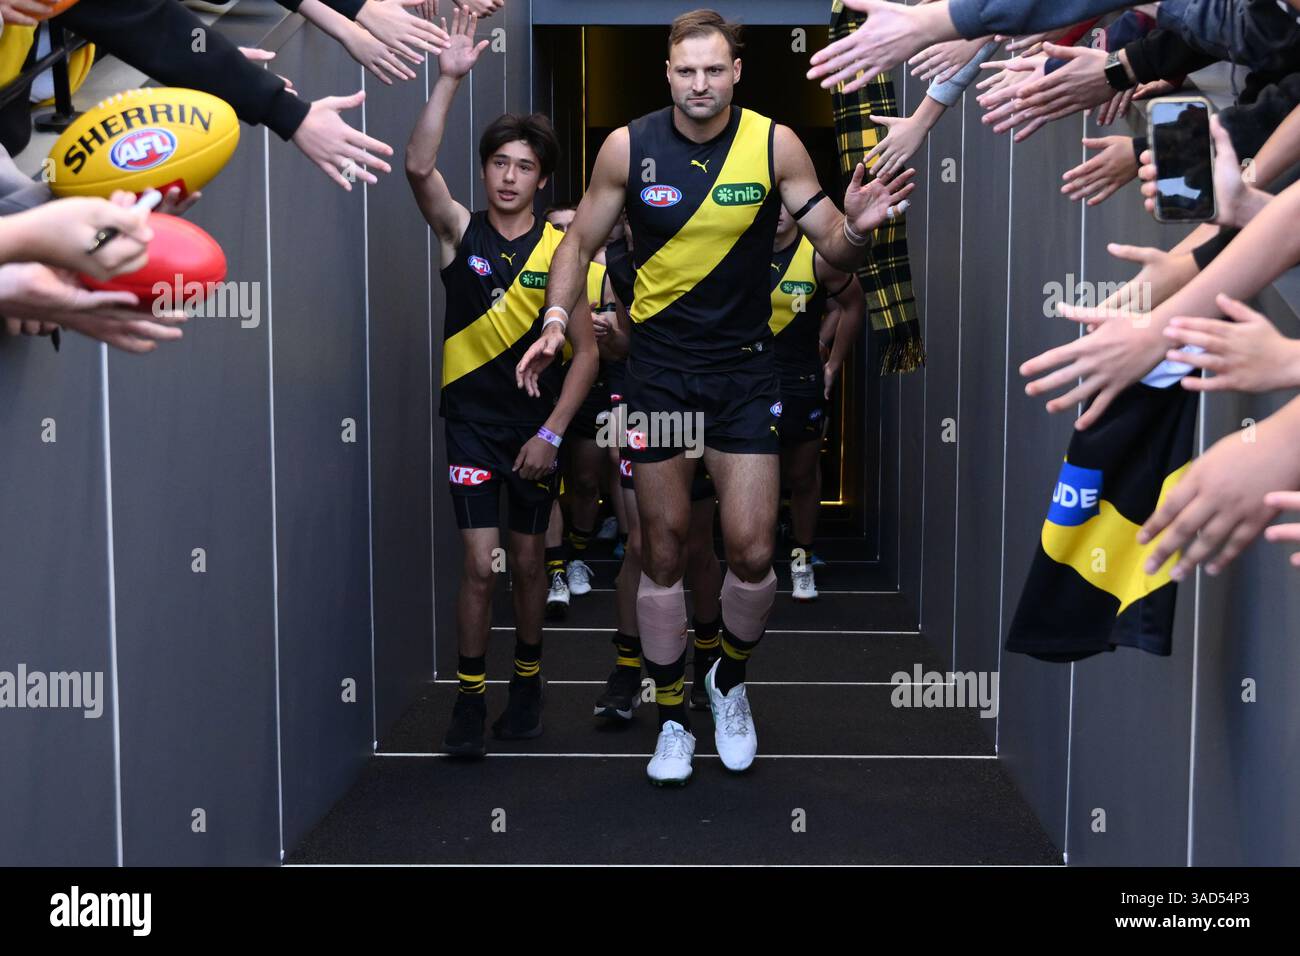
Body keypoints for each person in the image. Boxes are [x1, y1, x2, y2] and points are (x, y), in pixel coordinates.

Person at [518, 8, 915, 785]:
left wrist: (861, 229)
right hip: (659, 376)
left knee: (754, 551)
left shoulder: (775, 144)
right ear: (668, 74)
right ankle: (672, 717)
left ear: (737, 72)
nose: (699, 83)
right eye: (685, 70)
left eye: (714, 69)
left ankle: (727, 681)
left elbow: (833, 241)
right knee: (660, 551)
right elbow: (577, 243)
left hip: (745, 374)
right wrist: (558, 318)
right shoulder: (628, 148)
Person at [405, 9, 597, 756]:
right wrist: (449, 78)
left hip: (535, 435)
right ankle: (468, 699)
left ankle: (527, 681)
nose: (510, 177)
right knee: (478, 562)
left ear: (541, 177)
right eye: (499, 164)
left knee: (526, 564)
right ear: (484, 170)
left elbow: (585, 354)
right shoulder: (461, 230)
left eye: (524, 167)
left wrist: (552, 434)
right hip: (472, 427)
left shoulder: (564, 253)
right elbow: (419, 168)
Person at [768, 203, 863, 602]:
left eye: (784, 205)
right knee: (754, 474)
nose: (775, 212)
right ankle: (752, 566)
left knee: (802, 475)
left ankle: (801, 559)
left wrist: (833, 363)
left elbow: (853, 304)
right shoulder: (737, 250)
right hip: (748, 381)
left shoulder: (818, 256)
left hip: (800, 379)